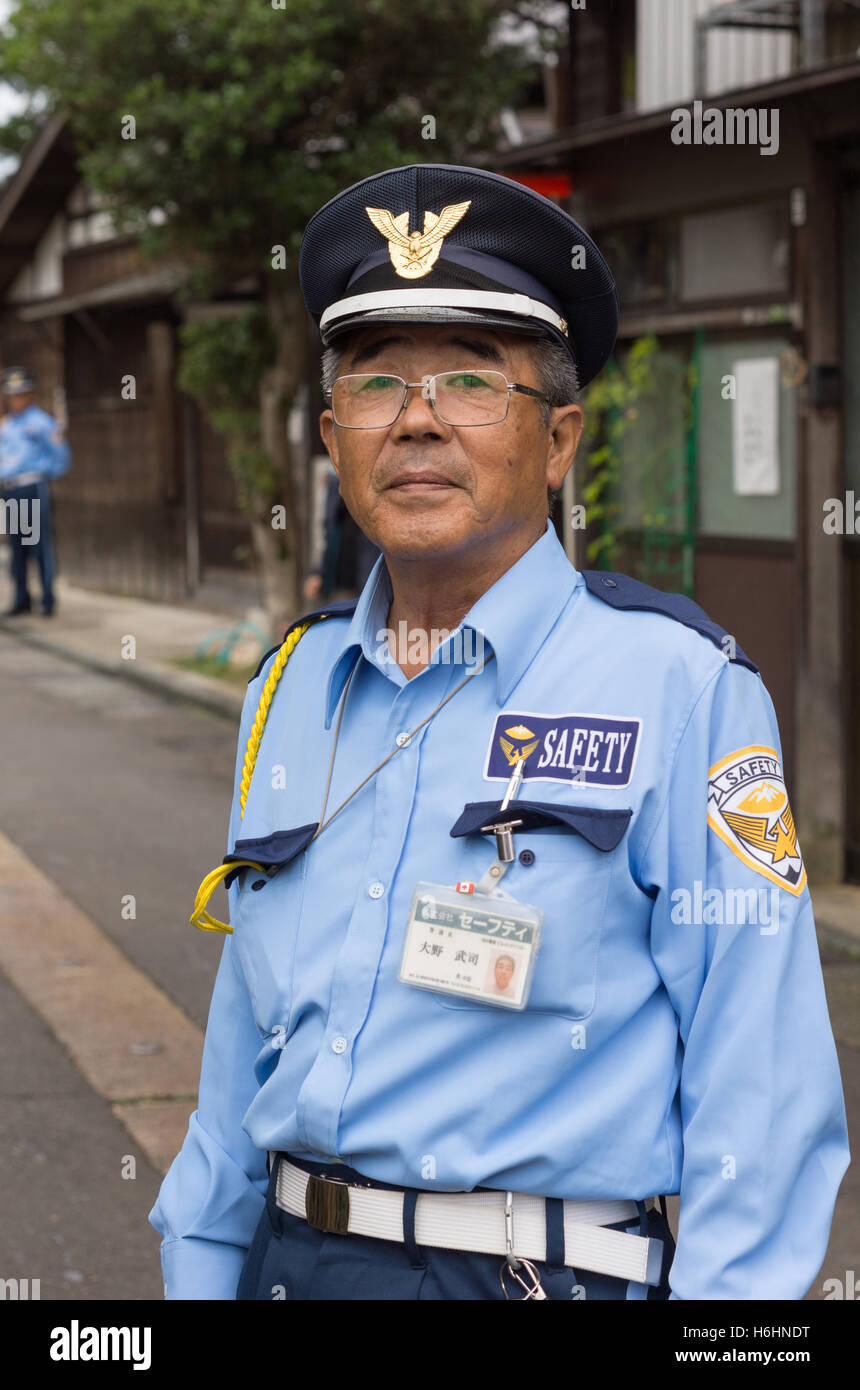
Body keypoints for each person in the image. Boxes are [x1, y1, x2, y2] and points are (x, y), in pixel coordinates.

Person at [150, 163, 849, 1301]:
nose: (416, 421)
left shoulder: (677, 687)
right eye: (376, 385)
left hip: (529, 1274)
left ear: (559, 437)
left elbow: (757, 1096)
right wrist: (201, 1264)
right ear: (333, 436)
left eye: (472, 380)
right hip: (287, 1266)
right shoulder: (290, 685)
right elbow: (242, 1050)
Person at [0, 367, 70, 617]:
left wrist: (43, 473)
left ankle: (48, 599)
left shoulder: (40, 421)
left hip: (33, 486)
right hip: (11, 489)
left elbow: (60, 455)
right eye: (12, 394)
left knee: (39, 544)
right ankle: (22, 599)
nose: (16, 399)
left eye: (21, 394)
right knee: (17, 546)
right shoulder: (7, 424)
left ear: (30, 395)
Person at [303, 465, 381, 603]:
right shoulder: (335, 479)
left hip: (373, 585)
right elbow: (328, 529)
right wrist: (318, 572)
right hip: (340, 585)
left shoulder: (378, 478)